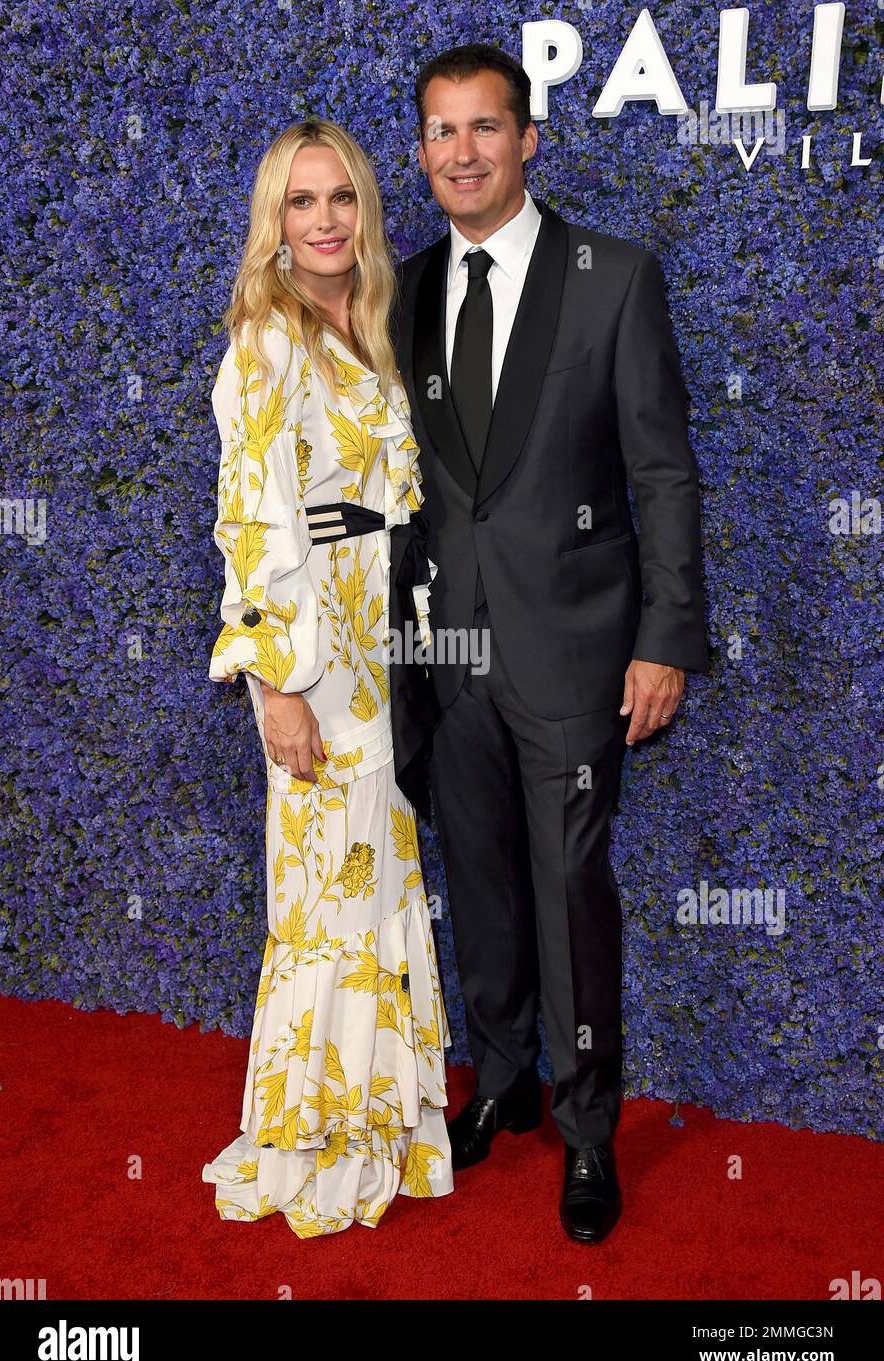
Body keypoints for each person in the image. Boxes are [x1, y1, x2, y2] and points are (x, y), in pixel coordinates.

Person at [394, 43, 711, 1243]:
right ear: (419, 151)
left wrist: (663, 637)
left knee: (569, 892)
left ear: (530, 140)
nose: (460, 152)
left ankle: (586, 1135)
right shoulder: (404, 287)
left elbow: (661, 474)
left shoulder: (610, 278)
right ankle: (504, 1078)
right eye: (438, 131)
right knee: (476, 884)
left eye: (484, 128)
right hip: (445, 656)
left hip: (577, 651)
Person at [201, 118, 453, 1238]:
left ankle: (380, 1124)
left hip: (379, 635)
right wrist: (274, 684)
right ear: (273, 221)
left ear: (364, 208)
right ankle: (316, 1140)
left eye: (339, 197)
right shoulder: (265, 338)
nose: (322, 221)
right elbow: (249, 523)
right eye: (299, 203)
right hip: (316, 653)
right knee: (324, 893)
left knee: (375, 880)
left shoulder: (374, 322)